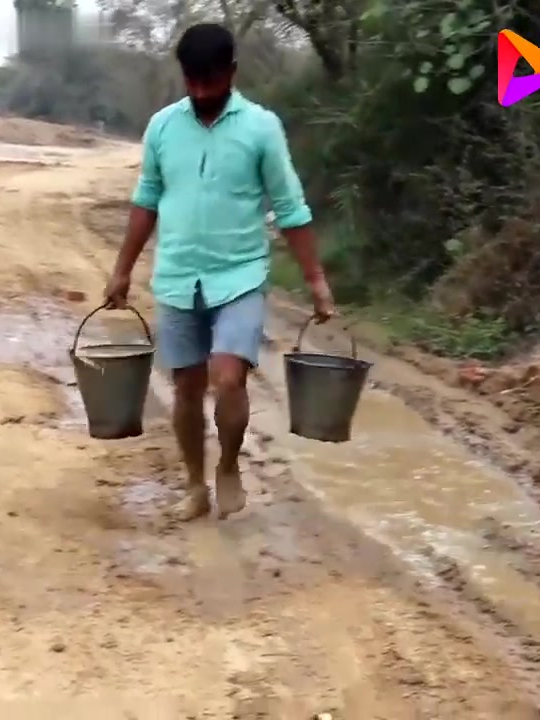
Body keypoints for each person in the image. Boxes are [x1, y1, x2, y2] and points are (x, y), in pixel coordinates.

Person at [102, 22, 335, 521]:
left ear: (232, 71)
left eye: (211, 80)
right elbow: (146, 200)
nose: (202, 91)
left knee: (228, 379)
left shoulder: (260, 127)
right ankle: (194, 484)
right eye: (193, 81)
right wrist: (122, 270)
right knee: (186, 388)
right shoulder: (163, 127)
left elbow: (290, 208)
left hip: (240, 277)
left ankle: (228, 464)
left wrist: (316, 282)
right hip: (177, 277)